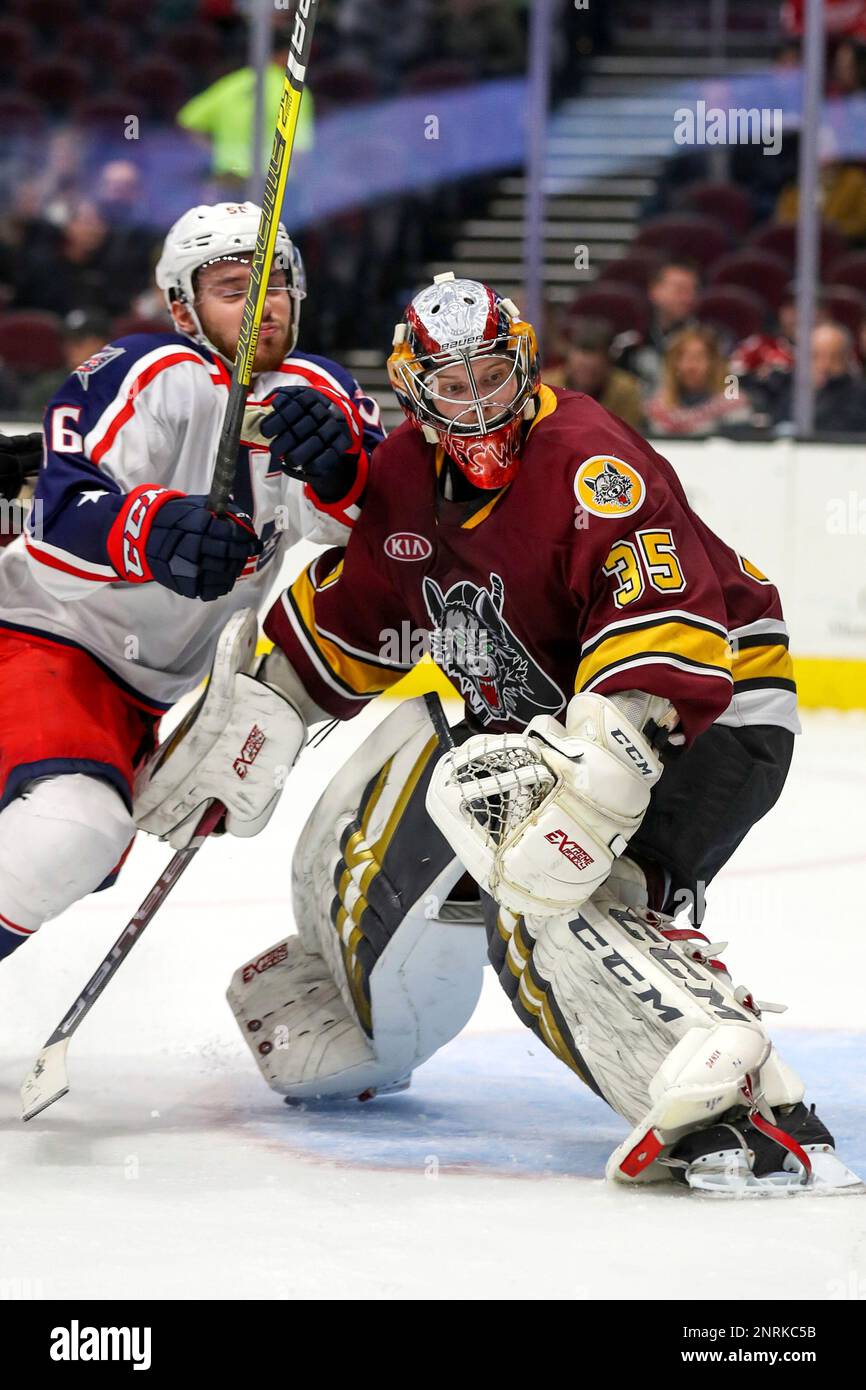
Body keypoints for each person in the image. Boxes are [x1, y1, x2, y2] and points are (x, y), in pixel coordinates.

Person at [150, 272, 859, 1195]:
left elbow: (671, 630)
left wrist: (601, 774)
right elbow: (355, 618)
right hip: (562, 728)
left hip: (712, 709)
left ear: (523, 363)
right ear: (416, 393)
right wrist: (251, 725)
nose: (480, 403)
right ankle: (719, 1076)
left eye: (493, 375)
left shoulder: (590, 460)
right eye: (454, 386)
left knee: (540, 894)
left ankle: (732, 1099)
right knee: (511, 853)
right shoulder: (406, 479)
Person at [0, 200, 384, 963]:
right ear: (184, 305)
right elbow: (54, 517)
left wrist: (345, 469)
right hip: (36, 637)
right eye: (234, 288)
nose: (262, 303)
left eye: (275, 283)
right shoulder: (151, 371)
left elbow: (376, 533)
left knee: (82, 836)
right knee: (74, 829)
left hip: (131, 693)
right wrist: (152, 529)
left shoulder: (321, 392)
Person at [177, 24, 315, 185]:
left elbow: (186, 121)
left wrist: (217, 152)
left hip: (229, 178)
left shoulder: (231, 84)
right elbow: (299, 148)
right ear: (287, 55)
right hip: (270, 184)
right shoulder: (293, 90)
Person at [646, 325, 755, 436]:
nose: (691, 365)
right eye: (683, 357)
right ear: (673, 363)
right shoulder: (658, 406)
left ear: (713, 362)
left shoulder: (733, 403)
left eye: (699, 357)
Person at [547, 315, 645, 430]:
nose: (588, 363)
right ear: (568, 357)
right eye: (582, 354)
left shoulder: (626, 391)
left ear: (608, 362)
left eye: (594, 356)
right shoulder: (547, 387)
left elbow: (630, 436)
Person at [770, 320, 866, 431]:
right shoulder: (788, 389)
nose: (824, 364)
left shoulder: (859, 397)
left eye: (834, 357)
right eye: (815, 356)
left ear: (847, 358)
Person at [619, 260, 700, 392]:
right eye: (680, 290)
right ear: (654, 291)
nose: (688, 298)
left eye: (692, 290)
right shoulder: (629, 344)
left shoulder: (708, 342)